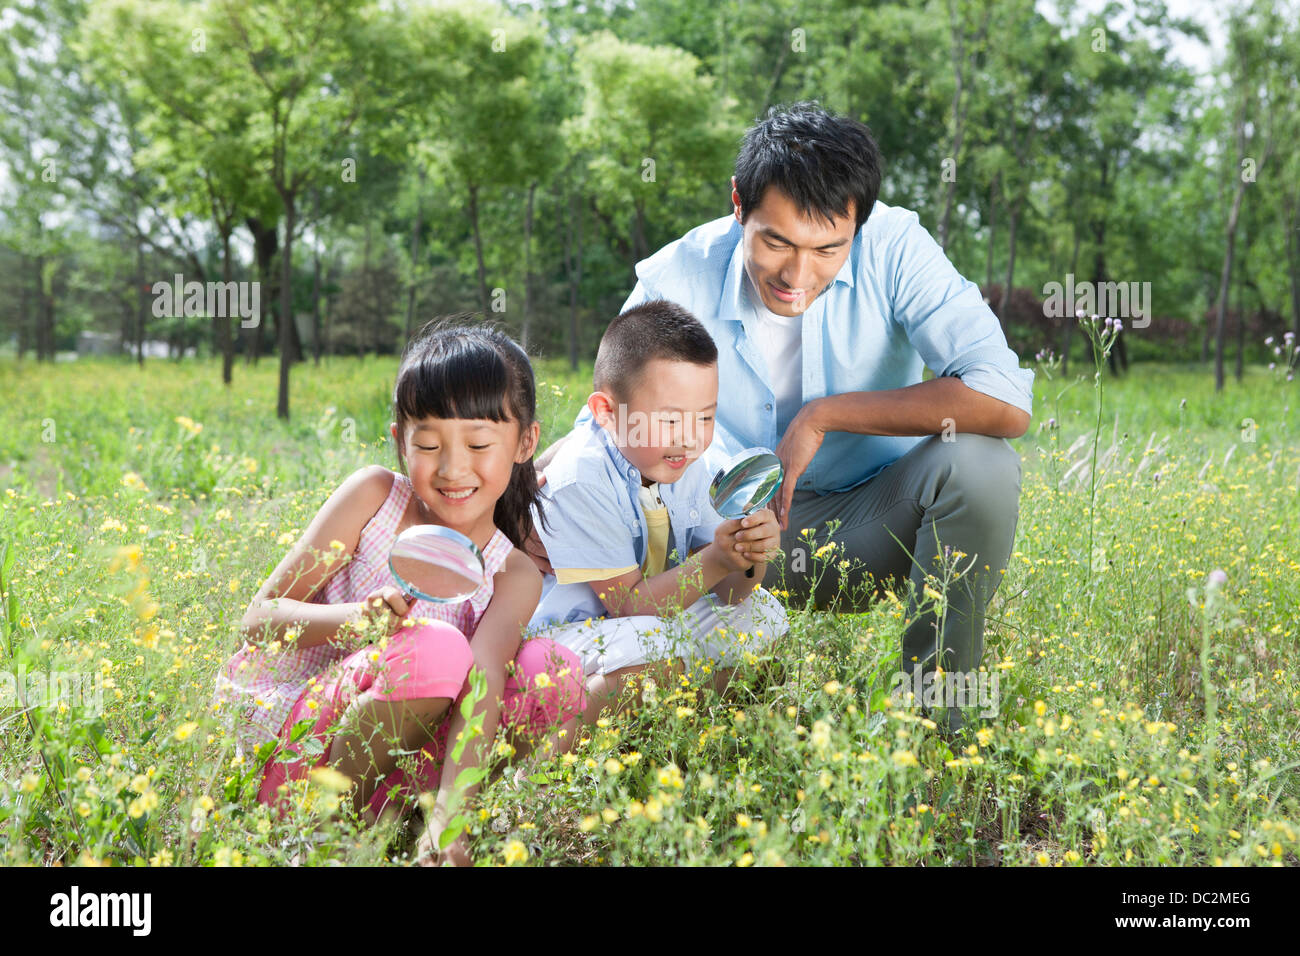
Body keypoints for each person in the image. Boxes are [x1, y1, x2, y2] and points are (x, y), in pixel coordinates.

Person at [534, 102, 1031, 732]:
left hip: (865, 526)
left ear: (860, 225)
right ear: (738, 205)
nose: (798, 275)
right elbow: (608, 423)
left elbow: (1005, 399)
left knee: (981, 463)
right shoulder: (678, 273)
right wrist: (530, 502)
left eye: (829, 249)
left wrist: (824, 416)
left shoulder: (899, 247)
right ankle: (665, 716)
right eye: (776, 242)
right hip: (715, 548)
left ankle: (940, 723)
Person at [214, 320, 585, 866]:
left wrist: (448, 821)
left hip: (405, 767)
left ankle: (423, 829)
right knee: (434, 648)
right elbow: (259, 618)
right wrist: (355, 623)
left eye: (479, 443)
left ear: (525, 442)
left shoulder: (515, 573)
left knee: (556, 668)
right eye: (429, 444)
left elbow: (481, 693)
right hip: (302, 747)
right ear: (399, 441)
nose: (453, 467)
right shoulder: (374, 497)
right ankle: (316, 831)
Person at [528, 301, 787, 724]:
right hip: (568, 635)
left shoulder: (685, 465)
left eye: (705, 417)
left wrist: (747, 555)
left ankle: (669, 706)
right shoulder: (583, 476)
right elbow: (627, 607)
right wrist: (715, 560)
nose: (689, 438)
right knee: (654, 642)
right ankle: (547, 765)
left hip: (653, 620)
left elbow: (729, 593)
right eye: (669, 420)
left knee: (764, 617)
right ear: (606, 413)